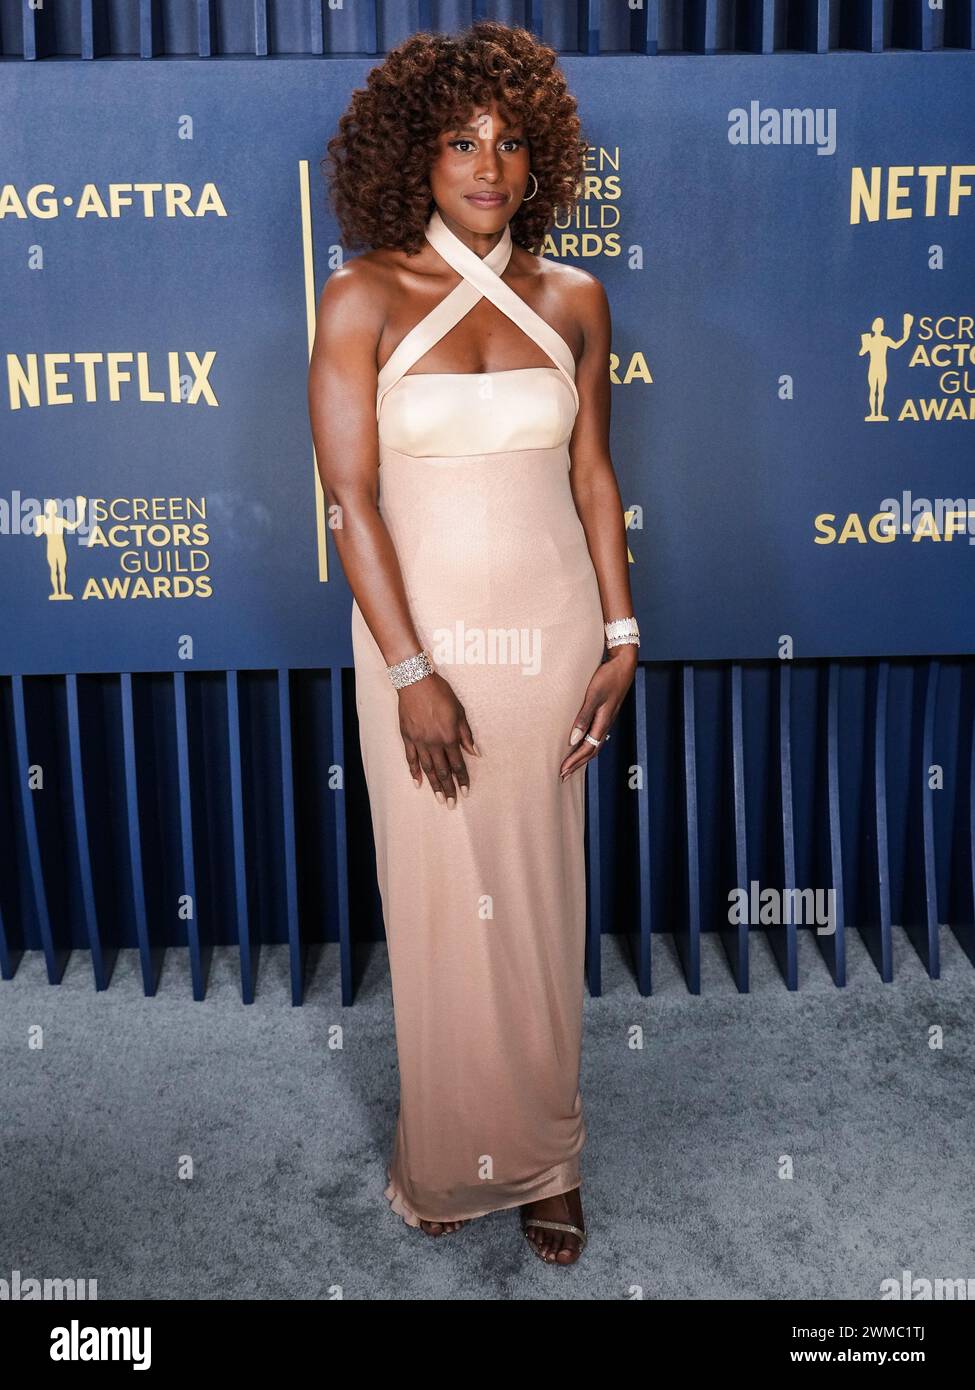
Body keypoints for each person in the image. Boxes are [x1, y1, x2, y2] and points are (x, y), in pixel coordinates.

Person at [308, 19, 638, 1267]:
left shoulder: (577, 297)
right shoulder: (365, 295)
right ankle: (448, 1155)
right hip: (418, 646)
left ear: (537, 155)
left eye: (509, 141)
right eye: (461, 140)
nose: (488, 164)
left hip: (553, 634)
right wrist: (411, 672)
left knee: (544, 895)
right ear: (416, 155)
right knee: (442, 899)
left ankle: (547, 1156)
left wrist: (620, 631)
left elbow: (596, 474)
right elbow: (353, 502)